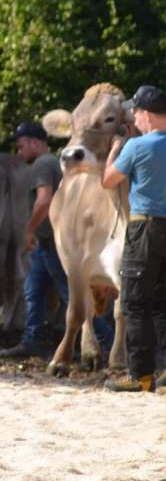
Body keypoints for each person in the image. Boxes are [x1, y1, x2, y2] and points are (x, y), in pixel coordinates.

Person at [101, 85, 166, 393]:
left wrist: (116, 148)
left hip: (145, 228)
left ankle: (140, 374)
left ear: (146, 115)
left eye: (137, 113)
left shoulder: (137, 147)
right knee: (163, 302)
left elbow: (109, 180)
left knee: (135, 301)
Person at [0, 120, 66, 358]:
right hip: (49, 240)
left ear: (35, 143)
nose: (19, 152)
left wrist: (29, 230)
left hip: (51, 240)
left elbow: (44, 200)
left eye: (21, 146)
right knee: (33, 290)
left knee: (69, 293)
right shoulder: (55, 161)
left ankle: (105, 341)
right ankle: (31, 341)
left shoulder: (43, 164)